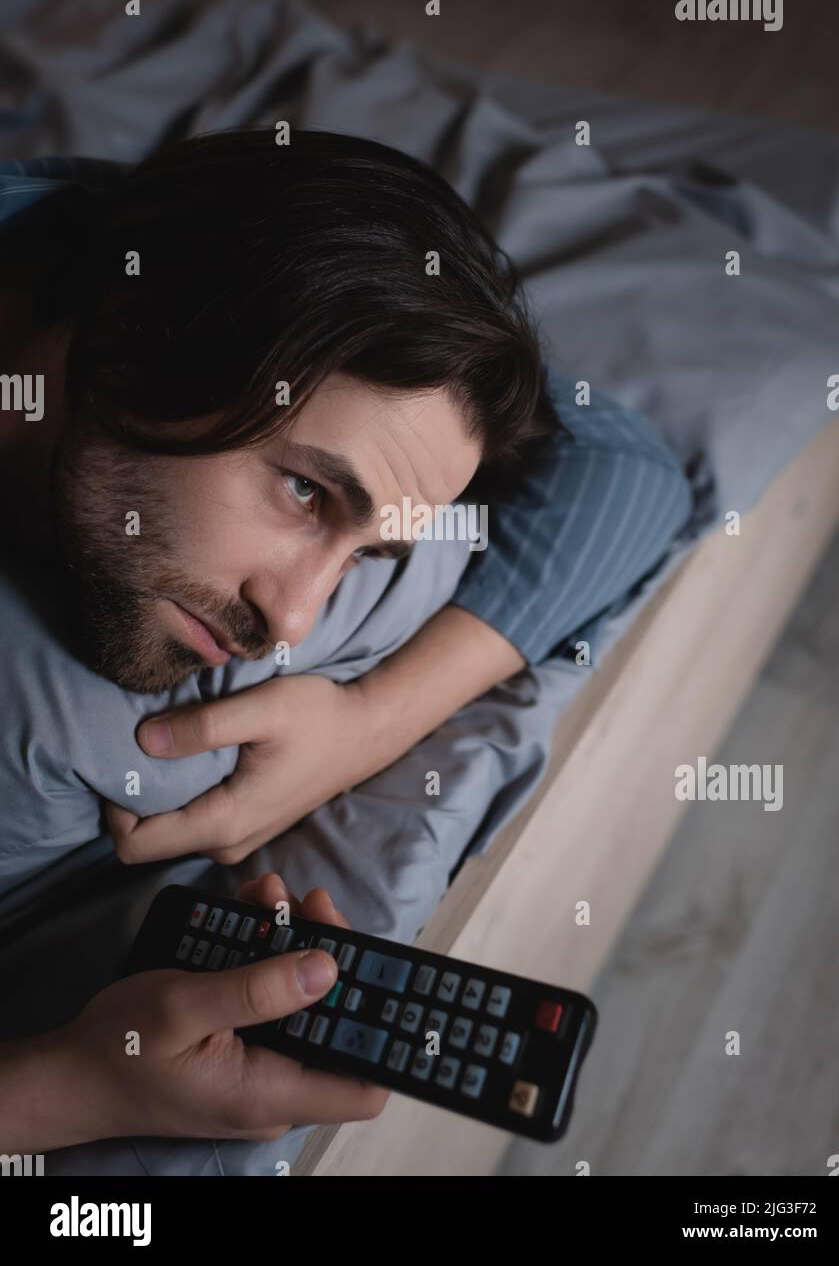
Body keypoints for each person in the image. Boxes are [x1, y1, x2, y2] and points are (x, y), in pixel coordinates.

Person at [0, 129, 691, 1150]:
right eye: (304, 490)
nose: (292, 622)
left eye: (366, 553)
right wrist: (63, 1092)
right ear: (131, 337)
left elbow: (627, 467)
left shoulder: (156, 251)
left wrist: (371, 719)